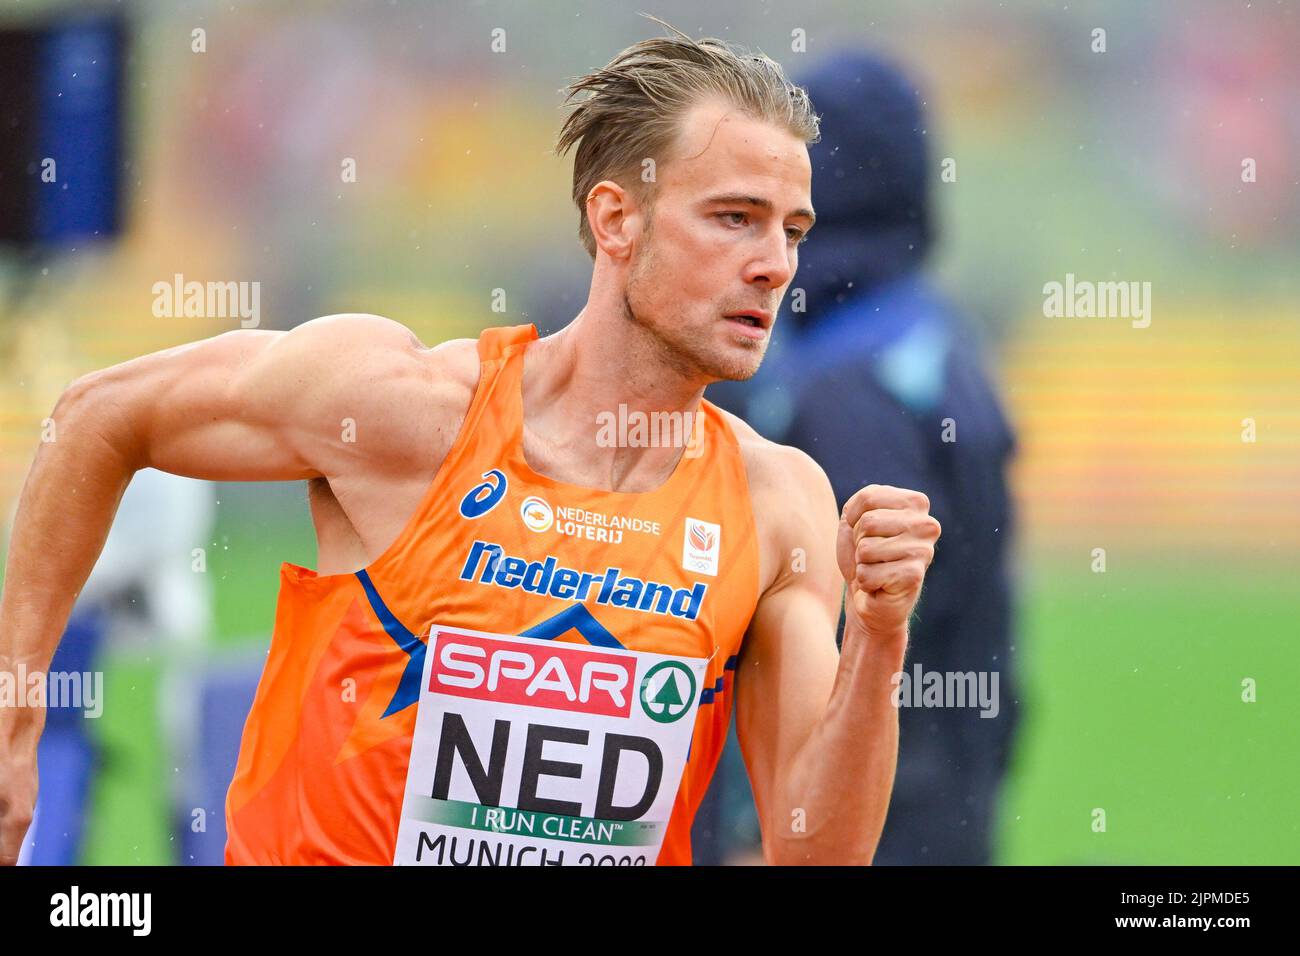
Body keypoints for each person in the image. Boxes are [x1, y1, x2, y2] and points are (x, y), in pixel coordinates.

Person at [0, 22, 941, 867]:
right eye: (734, 217)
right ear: (617, 219)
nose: (774, 261)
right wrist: (17, 710)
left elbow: (817, 853)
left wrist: (882, 641)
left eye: (793, 229)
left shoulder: (776, 505)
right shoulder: (407, 411)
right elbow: (97, 417)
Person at [708, 50, 1020, 865]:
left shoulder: (844, 386)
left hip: (879, 813)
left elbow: (843, 629)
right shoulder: (933, 340)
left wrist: (759, 833)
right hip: (950, 792)